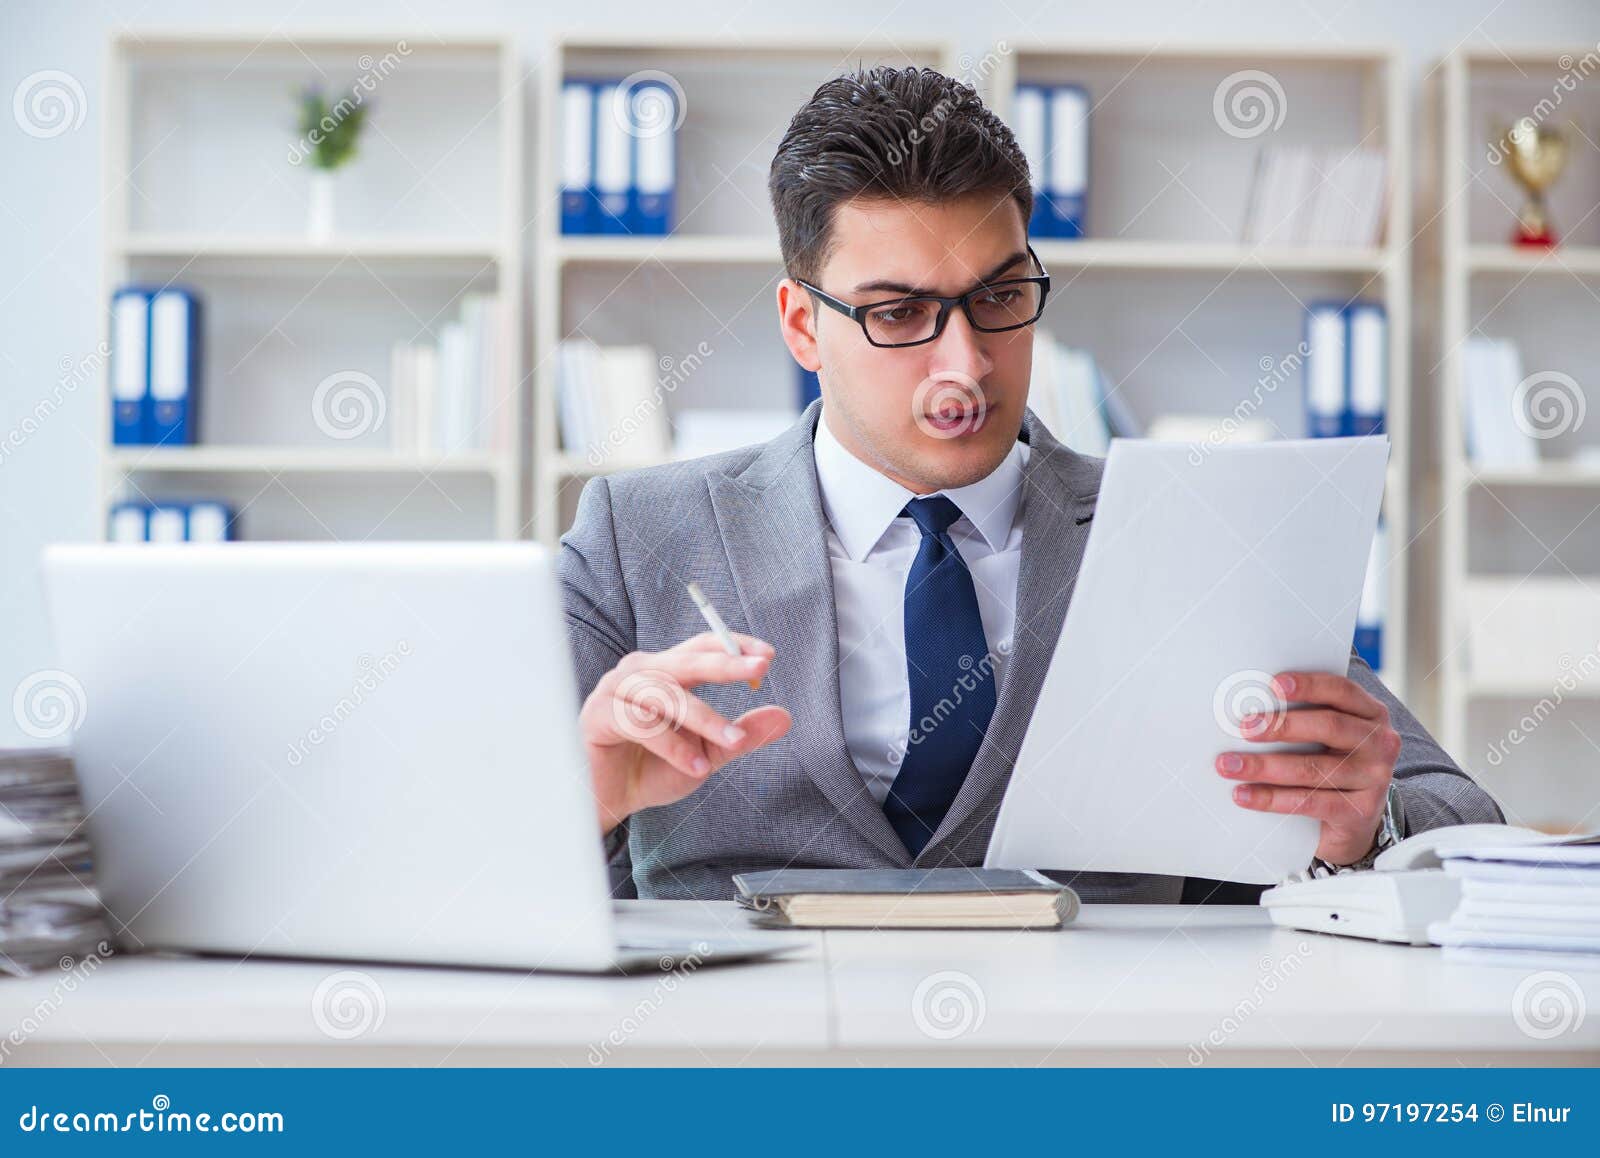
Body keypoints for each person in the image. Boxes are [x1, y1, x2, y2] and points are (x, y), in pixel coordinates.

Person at [558, 65, 1502, 901]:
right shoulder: (640, 534)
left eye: (1000, 298)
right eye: (899, 313)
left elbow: (1464, 821)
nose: (966, 365)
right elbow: (459, 838)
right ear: (802, 325)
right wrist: (589, 795)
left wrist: (1361, 826)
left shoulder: (1183, 529)